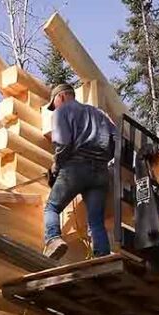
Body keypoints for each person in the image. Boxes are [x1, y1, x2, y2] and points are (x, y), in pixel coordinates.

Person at [43, 83, 116, 260]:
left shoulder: (62, 112)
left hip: (76, 168)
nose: (55, 109)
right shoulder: (98, 113)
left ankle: (53, 239)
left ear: (60, 97)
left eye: (55, 104)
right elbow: (116, 139)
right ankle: (102, 255)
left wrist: (56, 166)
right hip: (101, 172)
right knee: (96, 220)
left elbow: (64, 144)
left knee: (51, 207)